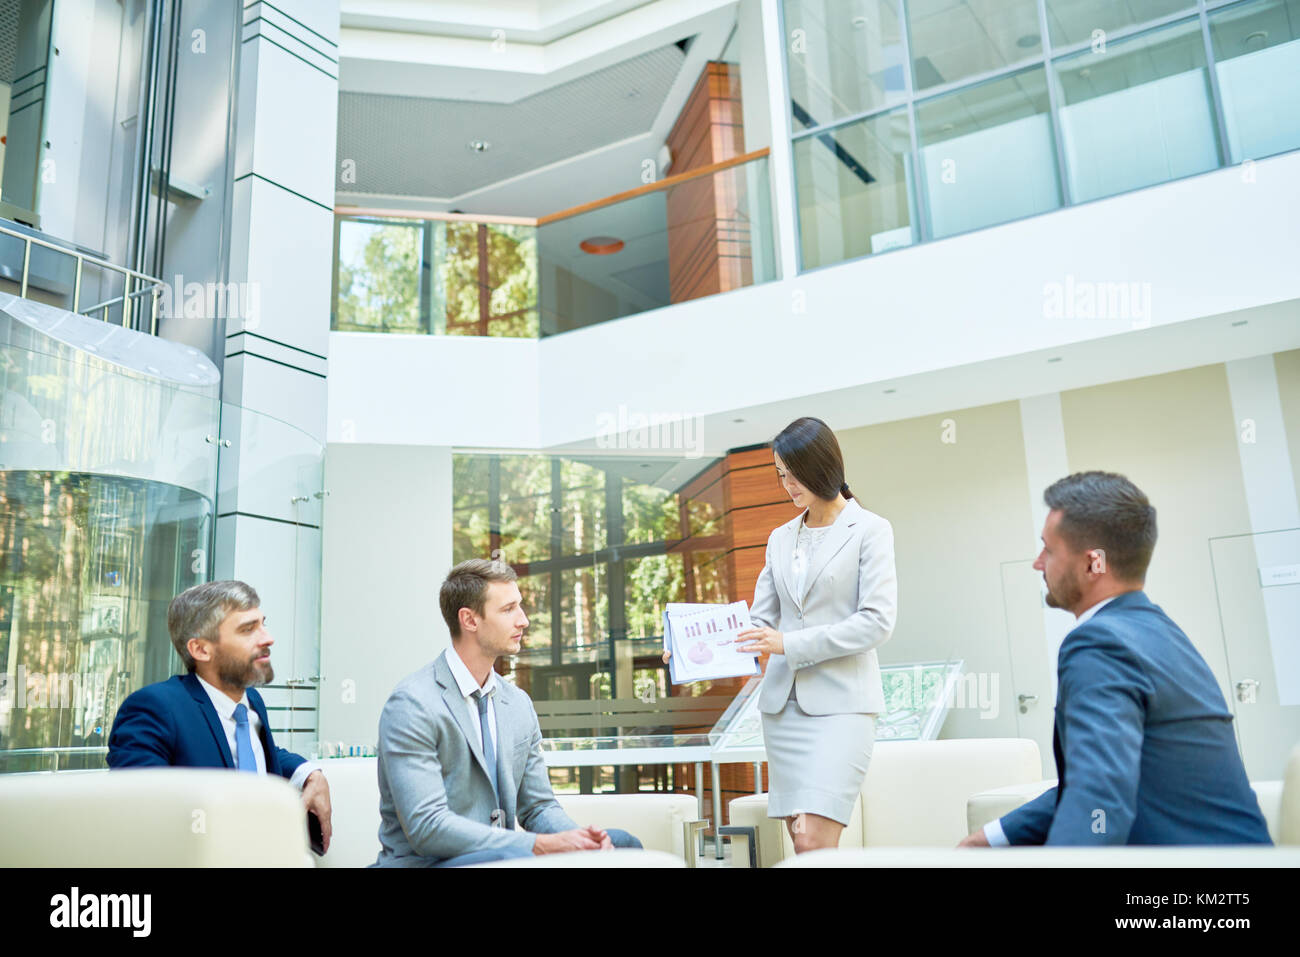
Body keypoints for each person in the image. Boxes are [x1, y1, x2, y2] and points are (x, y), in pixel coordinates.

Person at [959, 471, 1271, 846]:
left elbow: (1099, 799)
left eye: (1048, 549)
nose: (1038, 563)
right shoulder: (1158, 631)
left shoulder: (1099, 643)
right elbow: (1107, 775)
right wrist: (991, 838)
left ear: (1094, 564)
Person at [668, 416, 897, 853]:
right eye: (781, 475)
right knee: (800, 841)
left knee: (814, 836)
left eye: (794, 474)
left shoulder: (870, 530)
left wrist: (788, 644)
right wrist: (688, 647)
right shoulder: (779, 539)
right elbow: (758, 622)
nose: (787, 485)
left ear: (822, 468)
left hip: (842, 708)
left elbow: (876, 622)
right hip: (783, 711)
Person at [375, 558, 642, 866]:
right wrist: (538, 845)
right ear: (470, 620)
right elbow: (428, 827)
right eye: (508, 609)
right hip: (431, 862)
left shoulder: (517, 704)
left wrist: (577, 841)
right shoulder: (412, 704)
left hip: (502, 857)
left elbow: (538, 808)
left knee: (622, 843)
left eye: (520, 606)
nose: (523, 620)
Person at [108, 580, 333, 852]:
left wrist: (308, 773)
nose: (267, 638)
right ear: (201, 649)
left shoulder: (251, 703)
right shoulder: (155, 707)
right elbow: (141, 811)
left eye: (263, 623)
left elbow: (257, 752)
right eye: (248, 629)